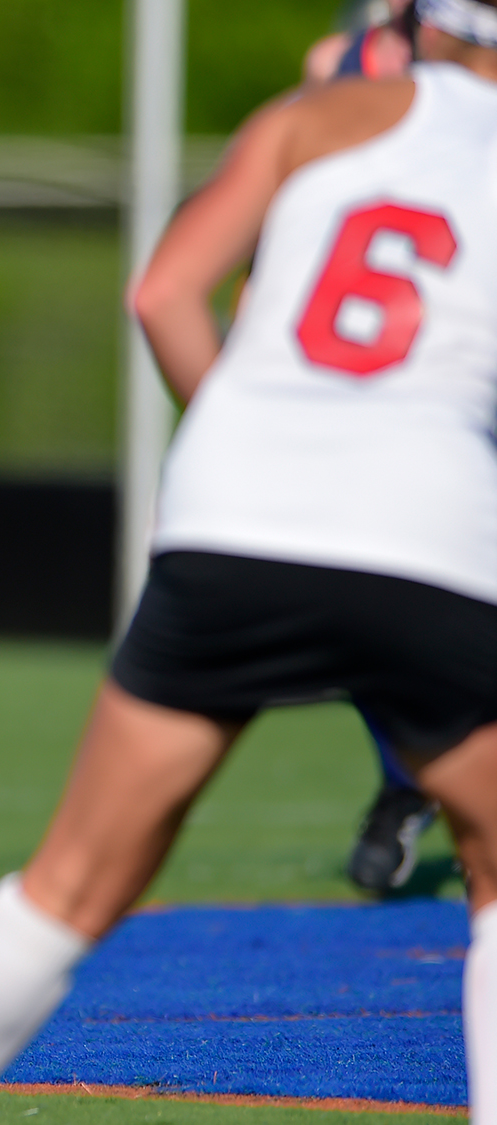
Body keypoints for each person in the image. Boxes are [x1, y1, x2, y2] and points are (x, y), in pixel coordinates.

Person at [0, 4, 497, 1121]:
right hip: (430, 533)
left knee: (68, 884)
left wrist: (249, 442)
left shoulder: (319, 114)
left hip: (234, 514)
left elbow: (160, 294)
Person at [302, 0, 445, 897]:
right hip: (378, 382)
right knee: (364, 601)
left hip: (467, 357)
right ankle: (406, 776)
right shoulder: (338, 65)